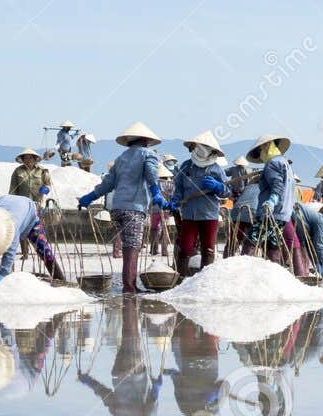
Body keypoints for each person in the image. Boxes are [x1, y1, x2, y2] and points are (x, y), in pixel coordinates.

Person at [75, 121, 162, 294]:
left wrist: (89, 197)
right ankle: (129, 287)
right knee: (132, 247)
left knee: (126, 245)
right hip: (134, 208)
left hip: (117, 208)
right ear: (146, 141)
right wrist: (156, 192)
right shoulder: (148, 154)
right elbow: (152, 174)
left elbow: (107, 184)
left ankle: (128, 284)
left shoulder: (121, 159)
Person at [0, 194, 71, 287]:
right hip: (5, 202)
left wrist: (2, 275)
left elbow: (9, 255)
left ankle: (60, 279)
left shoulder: (11, 229)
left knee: (44, 250)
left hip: (30, 214)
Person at [249, 133, 310, 278]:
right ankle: (275, 278)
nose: (260, 155)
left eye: (260, 152)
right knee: (272, 245)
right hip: (283, 213)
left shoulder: (272, 164)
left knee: (251, 240)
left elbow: (278, 185)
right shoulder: (284, 163)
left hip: (270, 213)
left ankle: (242, 277)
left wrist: (272, 200)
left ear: (266, 147)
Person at [169, 130, 229, 276]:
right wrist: (175, 200)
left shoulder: (216, 169)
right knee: (185, 248)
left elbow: (227, 191)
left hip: (209, 214)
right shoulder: (186, 166)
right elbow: (178, 188)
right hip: (189, 214)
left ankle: (204, 280)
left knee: (208, 249)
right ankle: (180, 278)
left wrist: (218, 187)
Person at [232, 162, 263, 255]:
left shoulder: (248, 187)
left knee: (234, 240)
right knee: (251, 241)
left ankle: (227, 261)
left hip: (236, 211)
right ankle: (246, 260)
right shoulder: (264, 187)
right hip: (252, 212)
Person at [150, 160, 174, 257]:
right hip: (166, 209)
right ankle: (165, 251)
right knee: (165, 229)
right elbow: (172, 196)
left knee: (154, 229)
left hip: (154, 209)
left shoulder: (153, 185)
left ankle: (153, 249)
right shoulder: (170, 184)